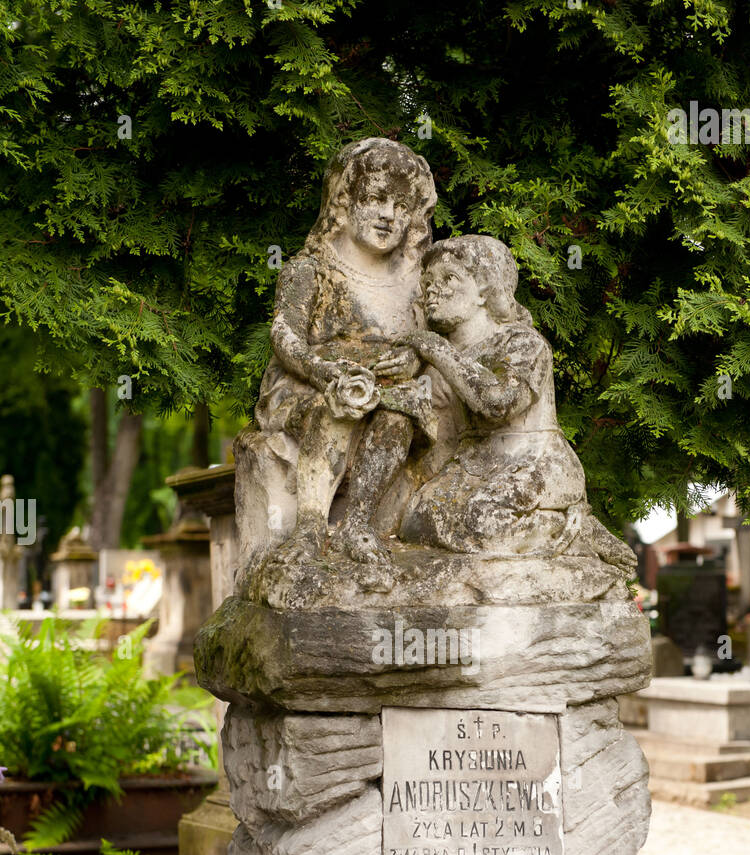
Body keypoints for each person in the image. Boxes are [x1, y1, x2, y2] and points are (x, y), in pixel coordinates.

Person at [250, 137, 437, 588]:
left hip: (386, 385)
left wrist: (412, 356)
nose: (389, 215)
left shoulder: (416, 278)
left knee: (398, 415)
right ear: (344, 201)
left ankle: (358, 523)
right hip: (309, 383)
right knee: (333, 410)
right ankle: (312, 525)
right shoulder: (310, 268)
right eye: (375, 199)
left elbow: (426, 337)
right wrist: (322, 373)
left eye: (400, 204)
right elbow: (284, 335)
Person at [399, 234, 635, 569]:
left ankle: (576, 532)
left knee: (484, 520)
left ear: (485, 289)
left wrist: (435, 349)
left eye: (449, 278)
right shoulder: (447, 358)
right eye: (428, 282)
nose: (433, 290)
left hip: (534, 461)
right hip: (474, 463)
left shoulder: (524, 343)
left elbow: (498, 403)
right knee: (418, 519)